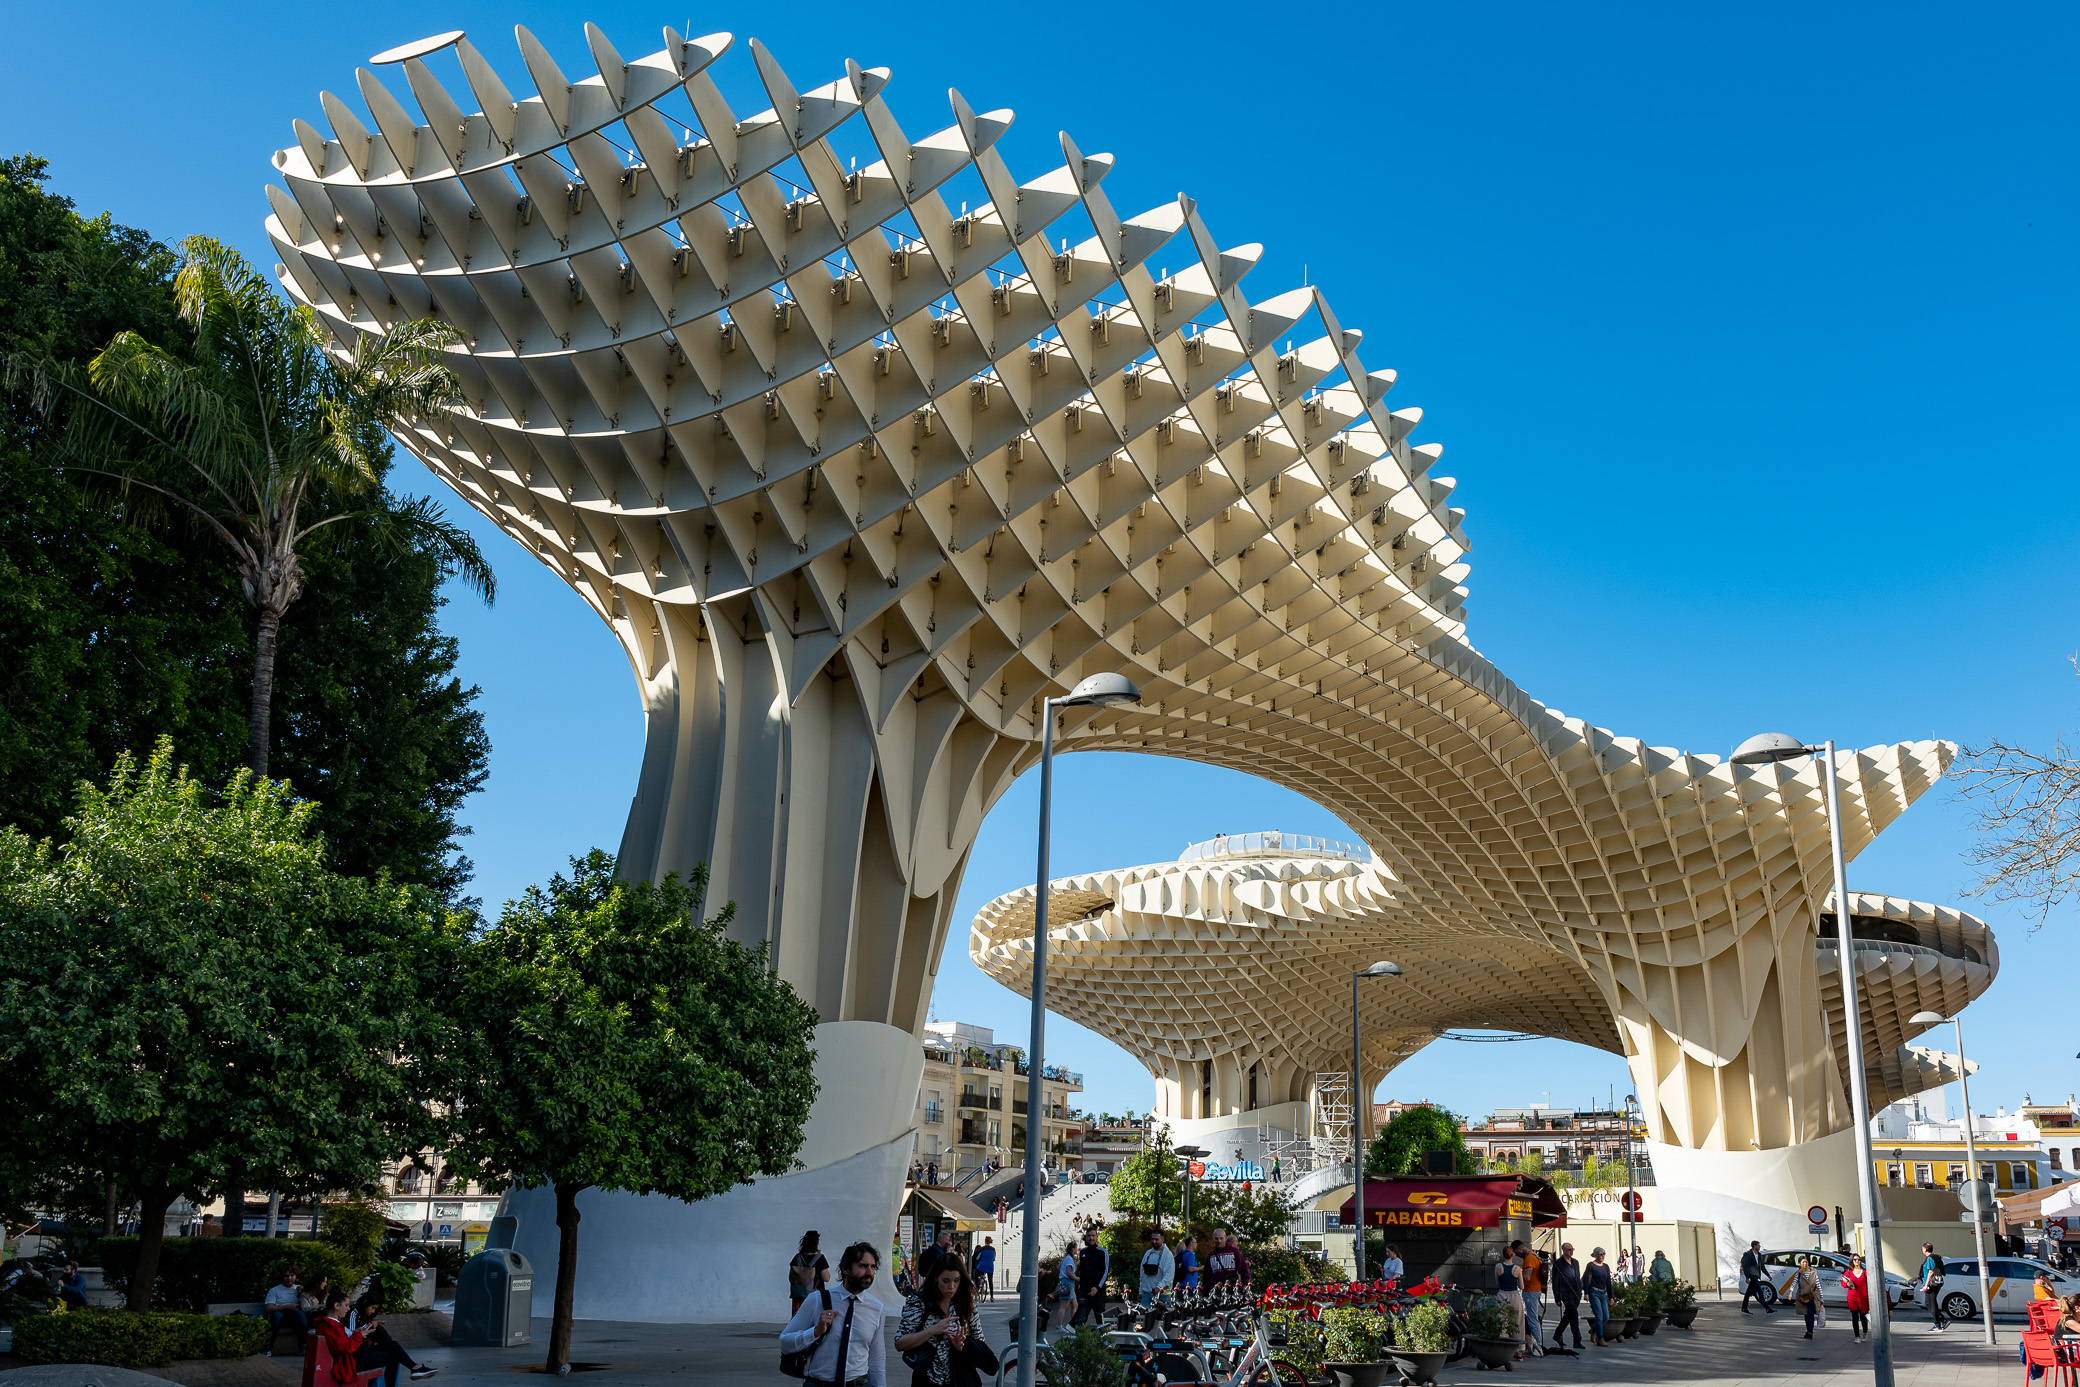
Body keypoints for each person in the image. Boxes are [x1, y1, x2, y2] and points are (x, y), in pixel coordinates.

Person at [779, 1241, 887, 1387]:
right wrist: (815, 1332)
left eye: (873, 1267)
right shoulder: (817, 1300)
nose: (869, 1272)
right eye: (863, 1266)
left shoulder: (877, 1308)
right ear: (845, 1268)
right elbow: (784, 1343)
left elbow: (876, 1360)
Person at [895, 1255, 995, 1387]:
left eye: (956, 1280)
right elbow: (900, 1343)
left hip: (961, 1379)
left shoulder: (966, 1305)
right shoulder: (918, 1303)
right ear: (936, 1278)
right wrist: (932, 1330)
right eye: (946, 1281)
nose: (951, 1287)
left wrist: (962, 1346)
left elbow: (981, 1348)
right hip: (927, 1379)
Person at [348, 1293, 438, 1382]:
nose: (372, 1311)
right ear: (364, 1303)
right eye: (372, 1308)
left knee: (393, 1348)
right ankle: (414, 1368)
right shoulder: (353, 1313)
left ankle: (415, 1368)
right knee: (392, 1356)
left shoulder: (364, 1315)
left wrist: (373, 1325)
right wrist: (370, 1325)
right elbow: (351, 1334)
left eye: (375, 1309)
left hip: (365, 1350)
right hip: (355, 1355)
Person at [262, 1267, 307, 1351]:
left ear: (295, 1276)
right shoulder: (274, 1290)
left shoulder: (299, 1289)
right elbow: (268, 1308)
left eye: (292, 1275)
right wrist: (286, 1306)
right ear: (283, 1277)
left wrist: (301, 1293)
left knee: (301, 1314)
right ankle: (268, 1347)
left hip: (294, 1317)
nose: (289, 1278)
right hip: (280, 1317)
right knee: (276, 1315)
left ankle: (303, 1346)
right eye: (286, 1276)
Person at [1071, 1229, 1109, 1325]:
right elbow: (1082, 1271)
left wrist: (1097, 1287)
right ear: (1085, 1237)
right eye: (1089, 1236)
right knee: (1080, 1319)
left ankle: (1102, 1335)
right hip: (1084, 1292)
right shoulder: (1083, 1252)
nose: (1091, 1238)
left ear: (1096, 1237)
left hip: (1099, 1293)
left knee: (1100, 1319)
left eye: (1093, 1235)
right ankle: (1079, 1334)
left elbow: (1105, 1272)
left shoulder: (1103, 1252)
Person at [1551, 1242, 1584, 1351]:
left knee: (1568, 1316)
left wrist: (1581, 1290)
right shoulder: (1558, 1263)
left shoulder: (1575, 1262)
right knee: (1574, 1315)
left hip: (1576, 1293)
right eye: (1569, 1249)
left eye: (1572, 1249)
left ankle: (1557, 1334)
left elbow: (1577, 1277)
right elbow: (1555, 1281)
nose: (1571, 1251)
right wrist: (1557, 1298)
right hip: (1566, 1293)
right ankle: (1577, 1340)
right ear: (1564, 1250)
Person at [792, 1231, 832, 1315]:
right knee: (813, 1319)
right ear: (816, 1243)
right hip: (814, 1295)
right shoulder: (820, 1258)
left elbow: (792, 1276)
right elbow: (826, 1278)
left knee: (798, 1318)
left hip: (799, 1295)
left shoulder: (797, 1257)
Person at [1495, 1248, 1524, 1357]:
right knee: (1519, 1323)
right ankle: (1519, 1350)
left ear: (1503, 1255)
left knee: (1502, 1324)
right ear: (1513, 1255)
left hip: (1502, 1295)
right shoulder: (1517, 1268)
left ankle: (1503, 1349)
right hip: (1514, 1295)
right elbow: (1522, 1286)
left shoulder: (1498, 1267)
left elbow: (1497, 1283)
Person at [1517, 1241, 1544, 1353]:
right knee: (1532, 1319)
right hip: (1534, 1290)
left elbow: (1527, 1277)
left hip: (1531, 1291)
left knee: (1532, 1319)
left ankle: (1537, 1346)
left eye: (1516, 1253)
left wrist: (1517, 1278)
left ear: (1520, 1249)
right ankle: (1535, 1346)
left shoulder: (1529, 1258)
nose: (1517, 1255)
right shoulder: (1534, 1255)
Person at [1138, 1228, 1176, 1306]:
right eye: (1152, 1239)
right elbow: (1142, 1274)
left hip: (1163, 1296)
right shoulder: (1148, 1254)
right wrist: (1141, 1291)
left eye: (1156, 1239)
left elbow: (1169, 1275)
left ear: (1162, 1240)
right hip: (1146, 1295)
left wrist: (1159, 1287)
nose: (1154, 1241)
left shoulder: (1167, 1255)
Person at [1584, 1248, 1613, 1346]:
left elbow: (1608, 1282)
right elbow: (1586, 1279)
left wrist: (1611, 1297)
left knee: (1606, 1317)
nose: (1602, 1256)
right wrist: (1586, 1293)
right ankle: (1600, 1339)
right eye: (1600, 1254)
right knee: (1599, 1317)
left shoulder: (1605, 1266)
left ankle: (1593, 1330)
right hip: (1594, 1292)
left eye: (1604, 1254)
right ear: (1595, 1255)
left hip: (1603, 1293)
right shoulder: (1591, 1265)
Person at [1841, 1253, 1872, 1343]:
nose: (1857, 1261)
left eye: (1858, 1259)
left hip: (1863, 1297)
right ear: (1852, 1261)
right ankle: (1857, 1336)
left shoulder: (1865, 1272)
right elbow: (1843, 1283)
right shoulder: (1849, 1272)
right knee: (1854, 1316)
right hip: (1852, 1297)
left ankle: (1865, 1332)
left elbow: (1869, 1283)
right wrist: (1847, 1284)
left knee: (1863, 1316)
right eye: (1855, 1260)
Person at [1918, 1243, 1948, 1332]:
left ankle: (1938, 1325)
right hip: (1935, 1283)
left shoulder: (1930, 1258)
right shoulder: (1936, 1257)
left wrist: (1926, 1285)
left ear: (1925, 1250)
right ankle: (1942, 1320)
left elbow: (1931, 1272)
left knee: (1931, 1303)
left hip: (1931, 1284)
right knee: (1928, 1303)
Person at [1791, 1255, 1821, 1339]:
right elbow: (1794, 1283)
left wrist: (1821, 1297)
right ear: (1799, 1264)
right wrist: (1790, 1291)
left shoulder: (1813, 1272)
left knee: (1811, 1313)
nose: (1805, 1263)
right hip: (1803, 1297)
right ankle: (1808, 1330)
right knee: (1806, 1314)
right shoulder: (1799, 1274)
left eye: (1806, 1262)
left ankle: (1810, 1331)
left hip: (1812, 1296)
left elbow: (1818, 1284)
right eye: (1803, 1262)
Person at [1740, 1241, 1773, 1314]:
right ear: (1754, 1246)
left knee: (1748, 1293)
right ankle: (1767, 1309)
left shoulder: (1759, 1255)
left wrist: (1768, 1275)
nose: (1759, 1247)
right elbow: (1746, 1266)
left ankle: (1744, 1308)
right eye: (1758, 1245)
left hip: (1756, 1275)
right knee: (1760, 1291)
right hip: (1752, 1275)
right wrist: (1747, 1277)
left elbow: (1762, 1266)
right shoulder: (1749, 1254)